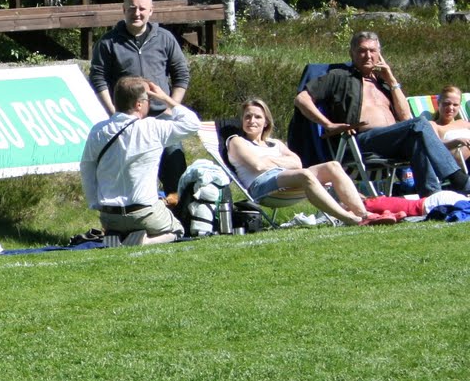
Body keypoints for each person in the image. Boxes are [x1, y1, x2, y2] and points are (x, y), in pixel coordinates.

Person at [293, 31, 470, 195]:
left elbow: (405, 117)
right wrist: (328, 124)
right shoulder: (338, 76)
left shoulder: (384, 84)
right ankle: (458, 179)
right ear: (352, 53)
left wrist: (391, 79)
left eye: (373, 51)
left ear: (380, 54)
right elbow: (301, 99)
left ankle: (433, 197)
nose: (368, 55)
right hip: (359, 141)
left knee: (417, 138)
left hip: (393, 142)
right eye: (362, 51)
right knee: (419, 124)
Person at [88, 0, 192, 195]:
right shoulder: (108, 42)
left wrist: (171, 109)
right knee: (136, 178)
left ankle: (179, 219)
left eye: (142, 8)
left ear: (151, 11)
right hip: (128, 122)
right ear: (123, 9)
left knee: (175, 171)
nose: (137, 13)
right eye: (132, 8)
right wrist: (113, 112)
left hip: (163, 119)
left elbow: (181, 75)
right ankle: (139, 221)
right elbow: (97, 78)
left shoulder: (165, 38)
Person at [79, 75, 199, 245]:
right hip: (144, 213)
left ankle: (117, 237)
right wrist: (165, 98)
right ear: (139, 104)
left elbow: (86, 168)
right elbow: (192, 124)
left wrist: (95, 203)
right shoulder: (152, 128)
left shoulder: (97, 131)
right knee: (177, 229)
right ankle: (143, 241)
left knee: (121, 224)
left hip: (109, 216)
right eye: (148, 98)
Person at [225, 97, 374, 225]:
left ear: (266, 122)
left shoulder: (275, 143)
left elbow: (297, 163)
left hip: (285, 178)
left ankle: (364, 215)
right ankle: (347, 217)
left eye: (257, 117)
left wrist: (268, 159)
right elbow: (258, 166)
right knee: (304, 175)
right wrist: (279, 161)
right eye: (247, 117)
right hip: (260, 186)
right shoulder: (236, 141)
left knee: (333, 166)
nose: (252, 121)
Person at [428, 85, 470, 164]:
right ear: (438, 103)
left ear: (459, 106)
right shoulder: (434, 125)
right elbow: (435, 148)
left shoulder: (464, 123)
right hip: (459, 166)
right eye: (446, 104)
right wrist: (457, 141)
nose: (450, 108)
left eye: (455, 105)